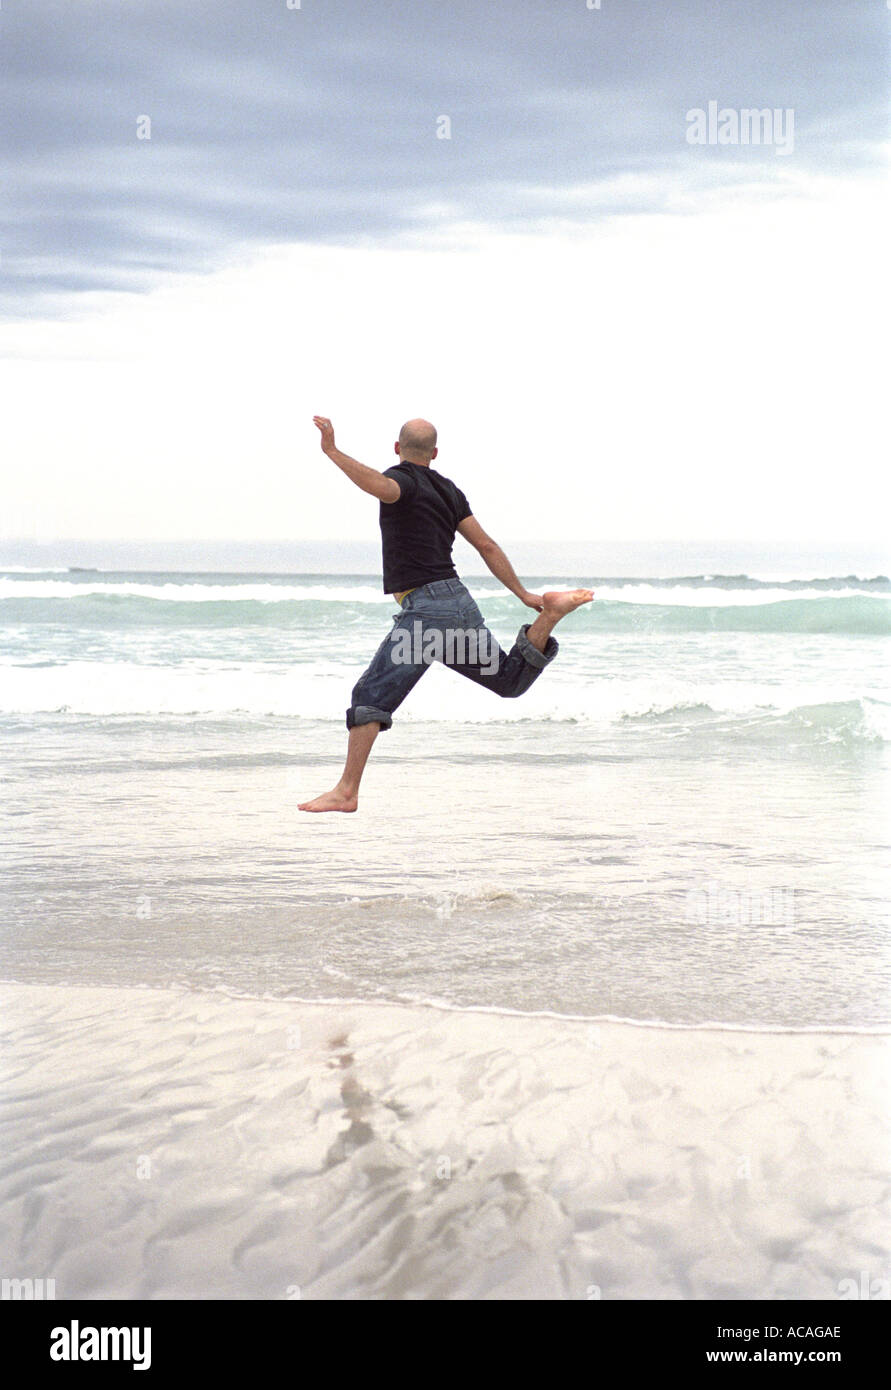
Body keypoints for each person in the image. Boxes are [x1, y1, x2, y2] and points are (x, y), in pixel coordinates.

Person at [299, 416, 593, 812]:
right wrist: (523, 594)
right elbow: (487, 546)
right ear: (434, 453)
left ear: (397, 448)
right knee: (507, 681)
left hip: (428, 612)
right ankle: (549, 616)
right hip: (458, 605)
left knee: (370, 695)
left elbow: (380, 487)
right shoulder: (449, 491)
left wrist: (332, 451)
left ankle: (347, 791)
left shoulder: (400, 480)